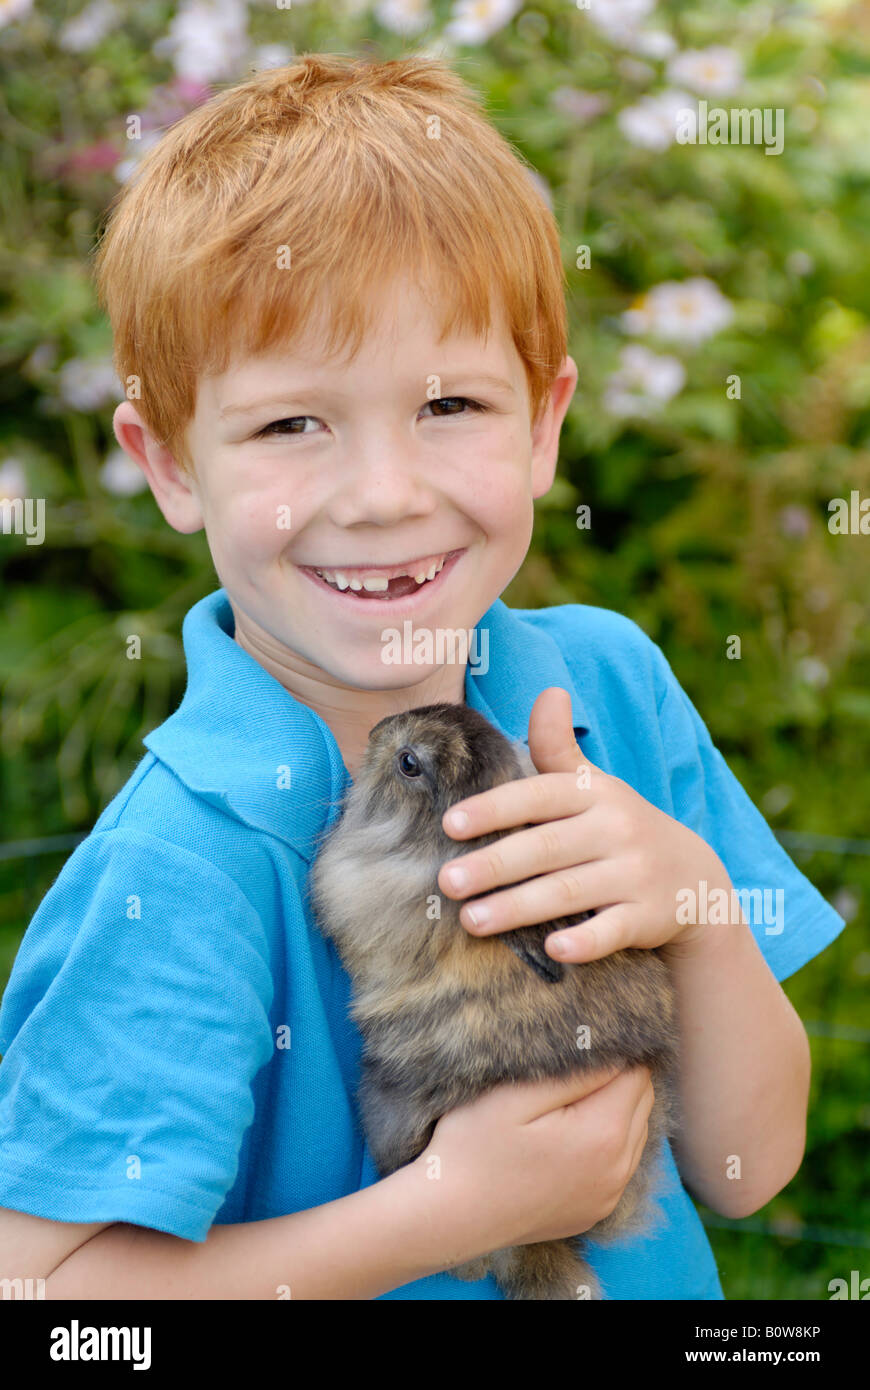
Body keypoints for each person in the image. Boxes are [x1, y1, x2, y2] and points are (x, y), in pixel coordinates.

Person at [0, 54, 844, 1300]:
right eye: (293, 423)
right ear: (170, 463)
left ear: (545, 423)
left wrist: (697, 901)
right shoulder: (182, 866)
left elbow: (747, 1162)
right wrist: (451, 1209)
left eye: (449, 402)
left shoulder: (610, 685)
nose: (386, 495)